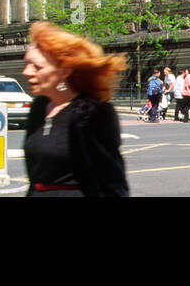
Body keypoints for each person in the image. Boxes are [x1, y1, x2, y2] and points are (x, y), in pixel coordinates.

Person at [21, 21, 128, 197]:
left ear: (64, 71)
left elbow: (111, 181)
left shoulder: (91, 112)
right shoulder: (39, 107)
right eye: (27, 64)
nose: (27, 72)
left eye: (37, 67)